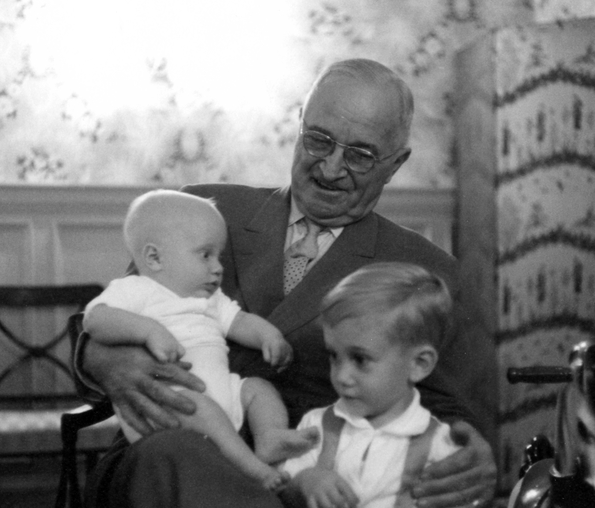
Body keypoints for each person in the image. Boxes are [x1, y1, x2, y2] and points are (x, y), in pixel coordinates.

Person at [76, 58, 498, 508]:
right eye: (318, 140)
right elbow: (106, 319)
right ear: (298, 126)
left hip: (317, 482)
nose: (331, 168)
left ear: (395, 165)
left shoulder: (428, 270)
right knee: (174, 455)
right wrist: (104, 360)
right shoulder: (202, 212)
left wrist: (471, 452)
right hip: (170, 452)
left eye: (360, 155)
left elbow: (449, 410)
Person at [82, 190, 317, 490]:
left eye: (218, 256)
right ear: (154, 257)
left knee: (258, 389)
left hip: (224, 395)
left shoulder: (210, 299)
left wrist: (268, 336)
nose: (218, 267)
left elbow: (240, 321)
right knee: (202, 410)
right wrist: (148, 331)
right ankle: (254, 470)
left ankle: (269, 437)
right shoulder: (138, 290)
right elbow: (96, 319)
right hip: (171, 405)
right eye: (206, 255)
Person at [279, 262, 463, 508]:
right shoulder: (317, 427)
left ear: (419, 364)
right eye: (334, 356)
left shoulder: (438, 445)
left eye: (360, 359)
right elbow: (280, 489)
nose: (342, 376)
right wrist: (304, 481)